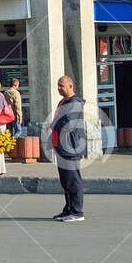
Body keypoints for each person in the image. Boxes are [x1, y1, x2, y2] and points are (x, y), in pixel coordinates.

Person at [50, 75, 87, 223]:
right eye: (58, 86)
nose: (59, 88)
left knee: (73, 181)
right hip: (61, 146)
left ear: (70, 86)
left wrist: (53, 125)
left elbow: (68, 122)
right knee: (65, 181)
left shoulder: (75, 103)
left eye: (62, 86)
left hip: (71, 147)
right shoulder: (63, 102)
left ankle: (77, 212)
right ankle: (69, 209)